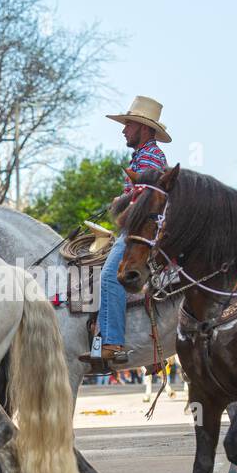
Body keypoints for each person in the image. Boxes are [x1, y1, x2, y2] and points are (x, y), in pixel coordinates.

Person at [86, 96, 170, 368]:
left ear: (144, 129)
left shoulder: (150, 157)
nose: (124, 130)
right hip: (139, 227)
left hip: (141, 229)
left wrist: (120, 202)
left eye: (128, 125)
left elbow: (145, 198)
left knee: (112, 276)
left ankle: (113, 343)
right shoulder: (144, 155)